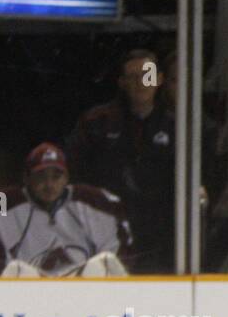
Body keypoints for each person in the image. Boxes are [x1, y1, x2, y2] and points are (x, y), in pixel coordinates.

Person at [66, 48, 176, 273]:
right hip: (106, 231)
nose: (141, 82)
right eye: (133, 77)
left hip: (158, 235)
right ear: (122, 82)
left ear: (159, 79)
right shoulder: (97, 122)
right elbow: (75, 175)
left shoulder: (177, 125)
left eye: (147, 74)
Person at [0, 142, 132, 277]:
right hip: (30, 291)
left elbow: (119, 254)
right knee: (16, 270)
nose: (49, 185)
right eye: (41, 177)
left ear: (67, 178)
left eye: (56, 177)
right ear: (26, 178)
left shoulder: (95, 202)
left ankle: (118, 314)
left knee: (106, 262)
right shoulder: (3, 202)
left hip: (82, 287)